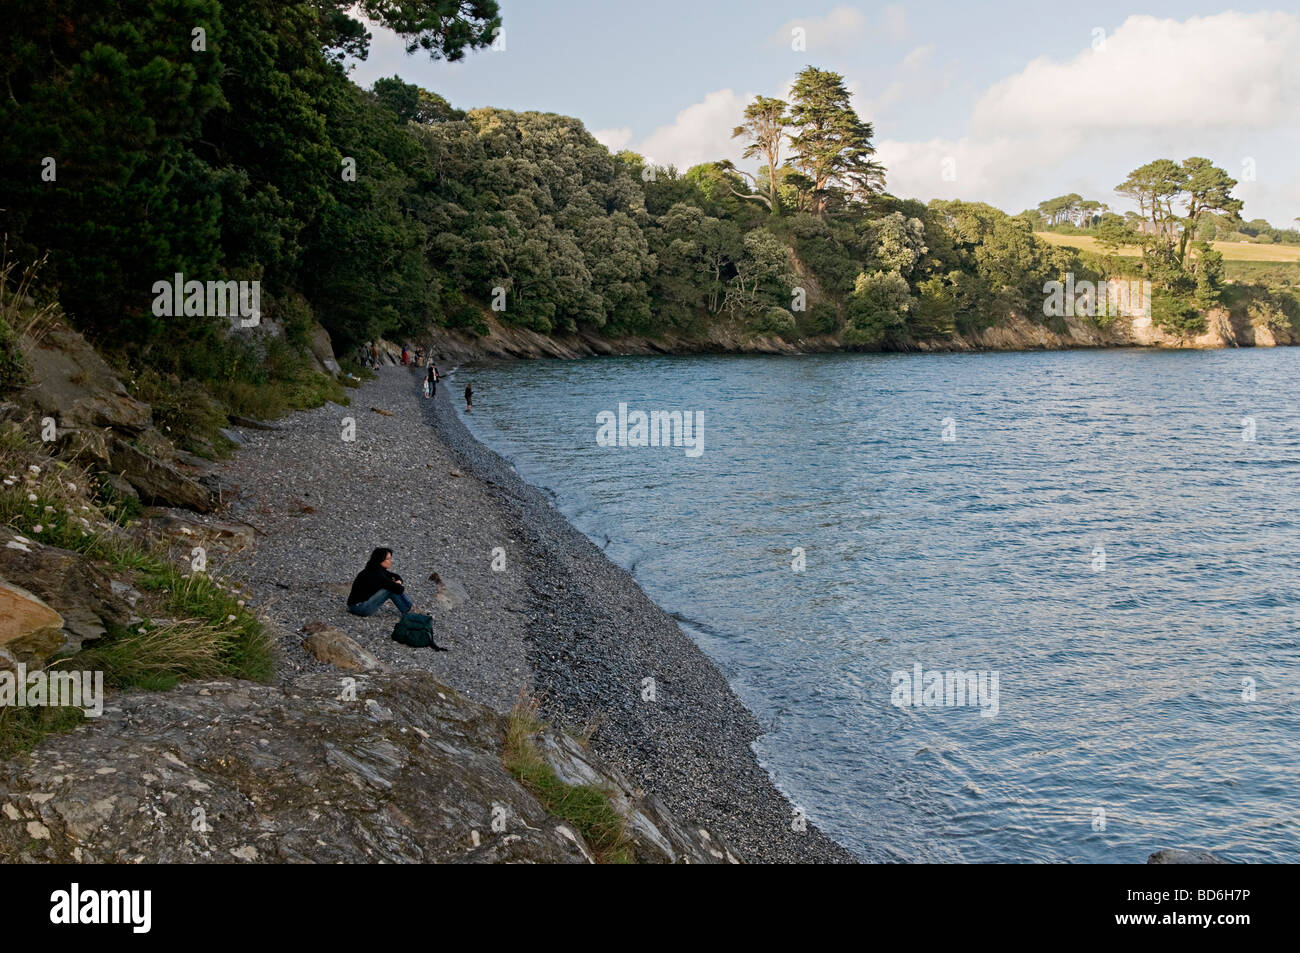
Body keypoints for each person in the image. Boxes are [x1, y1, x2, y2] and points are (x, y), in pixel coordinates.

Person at [346, 547, 414, 616]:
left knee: (392, 586)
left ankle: (408, 608)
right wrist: (398, 584)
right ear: (380, 560)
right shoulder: (375, 574)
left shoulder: (376, 568)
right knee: (390, 589)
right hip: (359, 608)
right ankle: (408, 610)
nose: (391, 561)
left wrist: (398, 581)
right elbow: (399, 589)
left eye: (390, 558)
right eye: (388, 559)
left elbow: (396, 576)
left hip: (356, 606)